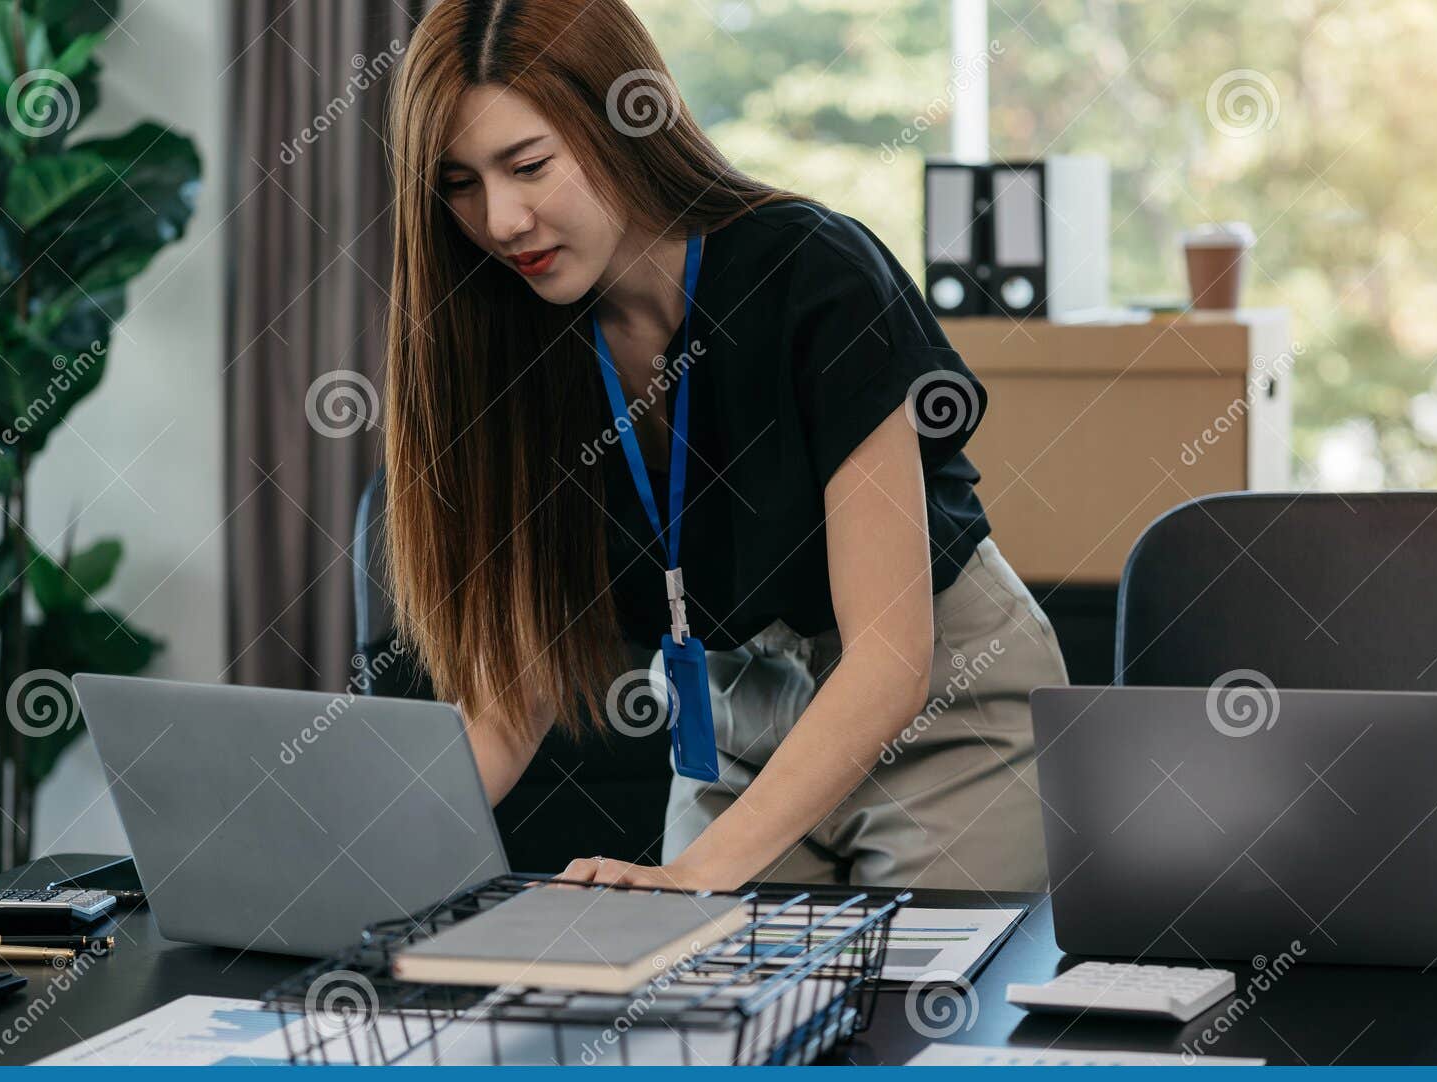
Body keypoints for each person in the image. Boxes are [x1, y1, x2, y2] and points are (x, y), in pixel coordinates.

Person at [382, 0, 1068, 893]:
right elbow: (513, 700)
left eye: (529, 165)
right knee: (688, 1014)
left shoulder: (811, 273)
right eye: (460, 184)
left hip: (941, 707)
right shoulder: (511, 334)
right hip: (740, 729)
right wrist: (363, 865)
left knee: (913, 1018)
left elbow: (890, 662)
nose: (502, 220)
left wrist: (693, 877)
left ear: (622, 125)